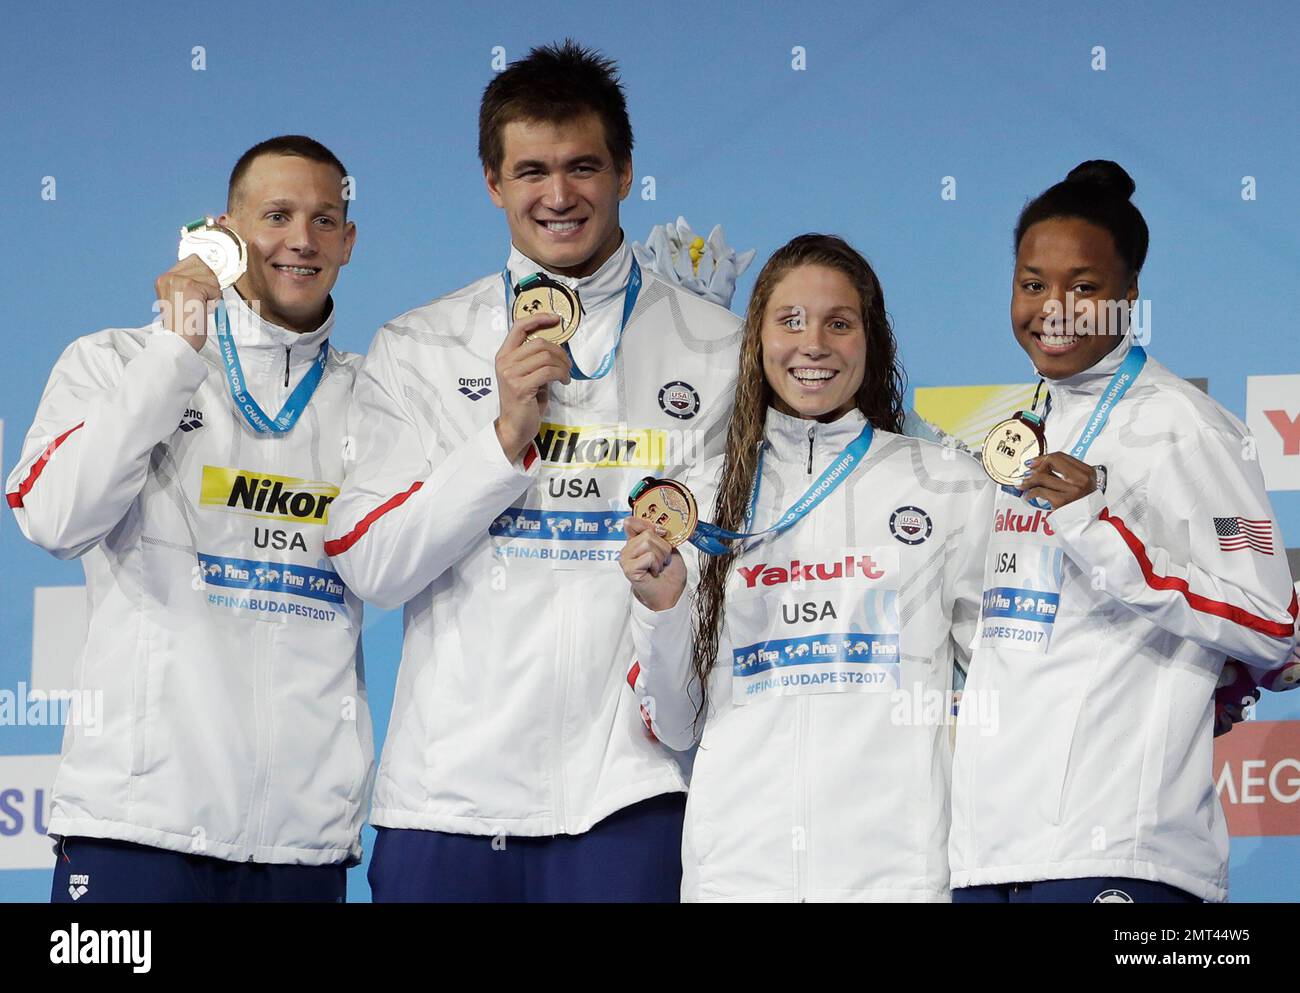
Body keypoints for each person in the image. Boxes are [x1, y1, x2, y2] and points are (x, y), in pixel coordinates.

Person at [325, 41, 741, 902]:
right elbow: (375, 566)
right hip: (448, 798)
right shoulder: (421, 346)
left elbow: (722, 569)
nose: (559, 196)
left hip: (630, 790)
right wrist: (501, 441)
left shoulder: (717, 347)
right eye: (532, 171)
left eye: (584, 166)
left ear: (627, 173)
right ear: (492, 182)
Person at [6, 135, 373, 903]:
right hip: (134, 831)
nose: (301, 239)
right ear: (224, 233)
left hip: (300, 848)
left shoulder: (373, 398)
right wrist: (176, 351)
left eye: (324, 219)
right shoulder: (115, 360)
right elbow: (54, 517)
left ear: (348, 240)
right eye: (276, 215)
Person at [949, 160, 1298, 904]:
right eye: (1032, 283)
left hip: (1121, 845)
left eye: (1085, 286)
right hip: (989, 848)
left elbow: (1273, 624)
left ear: (1129, 297)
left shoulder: (1190, 428)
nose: (1055, 307)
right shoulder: (1012, 431)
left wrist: (1101, 527)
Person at [620, 234, 994, 901]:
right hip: (737, 877)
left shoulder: (943, 483)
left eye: (838, 323)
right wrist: (666, 607)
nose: (812, 343)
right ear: (757, 338)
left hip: (895, 878)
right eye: (789, 320)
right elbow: (675, 724)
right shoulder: (699, 500)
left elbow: (1004, 680)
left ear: (870, 339)